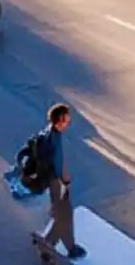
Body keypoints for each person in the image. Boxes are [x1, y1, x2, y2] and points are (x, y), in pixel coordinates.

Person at [35, 104, 87, 260]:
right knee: (64, 216)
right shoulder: (53, 139)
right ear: (59, 121)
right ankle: (69, 249)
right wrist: (65, 180)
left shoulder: (50, 134)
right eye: (66, 120)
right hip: (55, 184)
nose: (68, 123)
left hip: (54, 182)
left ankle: (47, 245)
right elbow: (56, 164)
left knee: (63, 215)